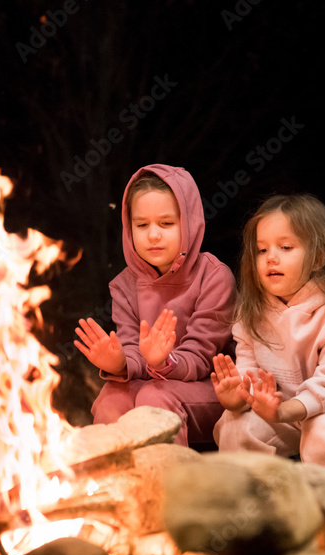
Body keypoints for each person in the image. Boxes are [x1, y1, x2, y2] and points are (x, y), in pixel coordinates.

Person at [210, 193, 325, 555]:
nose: (270, 258)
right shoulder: (252, 314)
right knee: (236, 427)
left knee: (324, 426)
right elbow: (249, 373)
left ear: (320, 256)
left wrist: (289, 409)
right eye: (262, 250)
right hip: (283, 406)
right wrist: (237, 398)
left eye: (285, 247)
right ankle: (258, 525)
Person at [74, 164, 236, 447]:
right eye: (142, 225)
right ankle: (112, 485)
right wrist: (120, 363)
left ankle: (170, 485)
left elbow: (201, 357)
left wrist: (163, 360)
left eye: (166, 223)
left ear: (188, 222)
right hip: (150, 383)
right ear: (129, 227)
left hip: (212, 390)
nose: (153, 235)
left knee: (154, 398)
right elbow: (132, 349)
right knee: (111, 399)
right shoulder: (124, 284)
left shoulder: (213, 276)